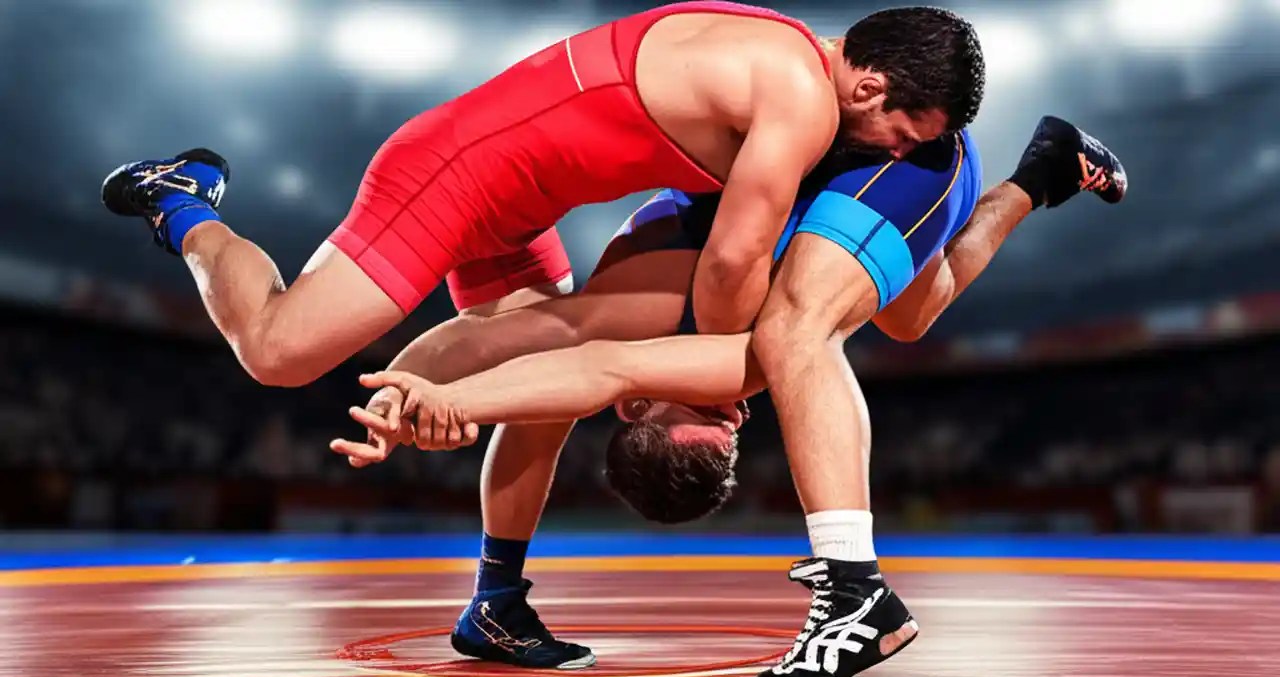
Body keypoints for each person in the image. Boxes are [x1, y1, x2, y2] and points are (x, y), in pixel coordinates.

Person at [332, 116, 1127, 677]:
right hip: (844, 190)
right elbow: (579, 370)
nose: (741, 414)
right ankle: (1039, 176)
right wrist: (413, 403)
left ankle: (853, 584)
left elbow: (518, 342)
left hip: (836, 153)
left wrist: (402, 395)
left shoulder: (639, 324)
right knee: (903, 317)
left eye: (709, 416)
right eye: (733, 433)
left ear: (638, 405)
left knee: (798, 334)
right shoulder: (730, 369)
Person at [99, 4, 984, 389]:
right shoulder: (794, 96)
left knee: (540, 387)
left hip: (519, 205)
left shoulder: (784, 54)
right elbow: (732, 263)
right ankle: (184, 203)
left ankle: (496, 600)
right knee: (277, 352)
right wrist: (721, 373)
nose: (890, 152)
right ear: (869, 87)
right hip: (452, 173)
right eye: (901, 136)